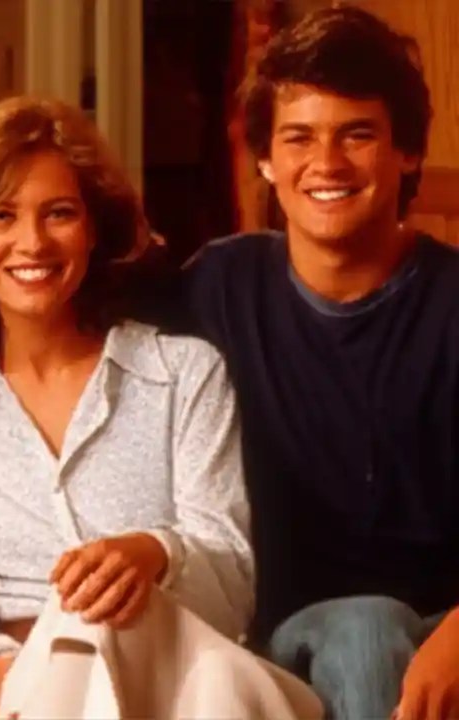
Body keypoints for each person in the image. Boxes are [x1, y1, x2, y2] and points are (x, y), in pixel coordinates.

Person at [0, 95, 320, 718]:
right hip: (19, 687)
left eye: (59, 213)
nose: (32, 242)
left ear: (94, 227)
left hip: (179, 676)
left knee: (112, 625)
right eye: (0, 215)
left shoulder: (182, 372)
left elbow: (234, 589)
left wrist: (155, 553)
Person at [178, 6, 459, 719]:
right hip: (281, 636)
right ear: (268, 159)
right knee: (365, 628)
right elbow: (69, 323)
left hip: (445, 630)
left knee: (374, 629)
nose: (326, 164)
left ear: (406, 152)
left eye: (357, 134)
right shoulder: (215, 288)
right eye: (299, 138)